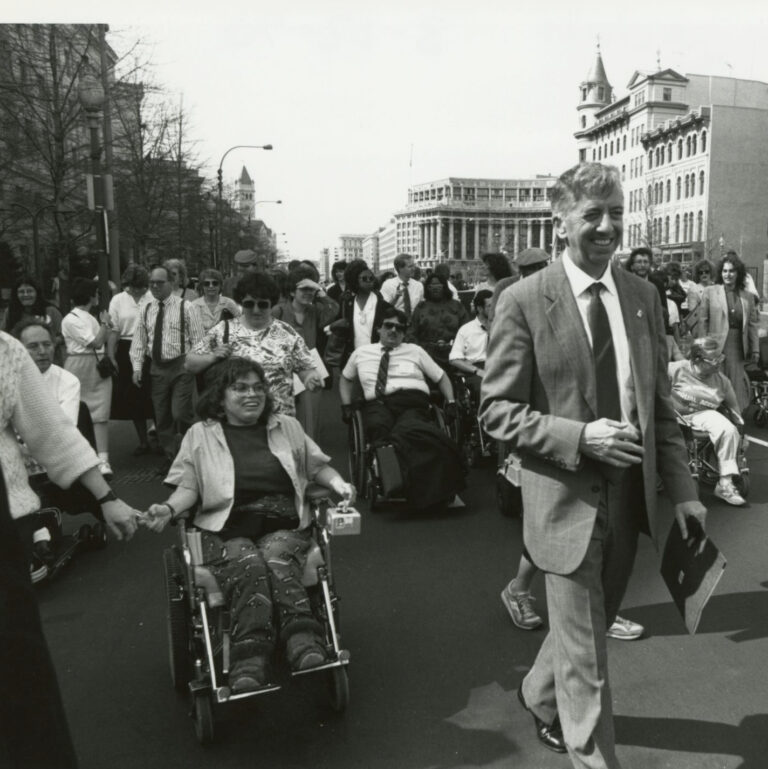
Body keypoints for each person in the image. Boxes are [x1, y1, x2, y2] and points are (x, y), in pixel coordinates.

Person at [481, 162, 705, 767]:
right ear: (560, 223)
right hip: (564, 502)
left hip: (631, 497)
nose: (607, 228)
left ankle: (536, 692)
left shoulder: (643, 296)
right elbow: (496, 412)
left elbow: (658, 407)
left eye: (616, 215)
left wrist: (684, 492)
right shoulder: (524, 300)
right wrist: (580, 437)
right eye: (592, 216)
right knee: (590, 667)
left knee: (584, 626)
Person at [141, 357, 354, 693]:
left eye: (257, 387)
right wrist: (168, 509)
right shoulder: (201, 434)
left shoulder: (287, 426)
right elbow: (189, 488)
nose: (251, 394)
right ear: (220, 396)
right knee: (248, 563)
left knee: (275, 555)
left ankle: (303, 641)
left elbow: (317, 468)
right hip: (225, 528)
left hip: (283, 522)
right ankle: (249, 658)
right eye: (239, 388)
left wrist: (339, 483)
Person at [339, 307, 465, 511]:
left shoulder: (415, 351)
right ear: (379, 328)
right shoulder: (361, 353)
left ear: (405, 333)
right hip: (378, 403)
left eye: (400, 328)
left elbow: (441, 377)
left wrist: (450, 402)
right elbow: (345, 378)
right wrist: (346, 404)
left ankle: (423, 487)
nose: (394, 331)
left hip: (412, 401)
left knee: (414, 431)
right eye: (389, 325)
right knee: (379, 427)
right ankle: (391, 481)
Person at [185, 272, 324, 418]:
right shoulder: (223, 330)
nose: (256, 310)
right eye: (249, 304)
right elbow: (189, 363)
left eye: (263, 304)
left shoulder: (287, 333)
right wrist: (212, 357)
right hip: (235, 424)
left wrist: (311, 378)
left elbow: (306, 369)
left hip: (279, 421)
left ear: (272, 304)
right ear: (241, 303)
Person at [130, 266, 205, 470]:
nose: (154, 286)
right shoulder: (146, 308)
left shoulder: (187, 308)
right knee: (162, 416)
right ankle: (172, 458)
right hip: (157, 368)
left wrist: (195, 364)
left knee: (180, 413)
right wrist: (137, 368)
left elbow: (199, 341)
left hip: (181, 366)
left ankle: (190, 451)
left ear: (171, 284)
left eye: (159, 282)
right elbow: (139, 341)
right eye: (152, 282)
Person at [669, 336, 746, 506]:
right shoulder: (675, 370)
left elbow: (734, 410)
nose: (719, 363)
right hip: (671, 414)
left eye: (721, 357)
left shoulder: (722, 381)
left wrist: (742, 434)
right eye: (713, 360)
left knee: (728, 429)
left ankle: (725, 484)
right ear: (697, 359)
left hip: (701, 414)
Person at [272, 269, 339, 439]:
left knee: (310, 420)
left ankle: (308, 456)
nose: (308, 293)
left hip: (310, 369)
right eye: (304, 289)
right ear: (292, 291)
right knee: (284, 419)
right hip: (283, 370)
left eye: (311, 290)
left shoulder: (315, 311)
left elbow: (333, 309)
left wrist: (321, 292)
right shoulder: (278, 312)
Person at [61, 278, 114, 477]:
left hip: (96, 365)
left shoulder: (89, 317)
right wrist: (105, 323)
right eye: (96, 294)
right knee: (77, 411)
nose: (98, 297)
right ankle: (83, 458)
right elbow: (96, 341)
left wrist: (105, 325)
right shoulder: (71, 319)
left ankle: (102, 459)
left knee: (100, 412)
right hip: (81, 366)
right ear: (91, 295)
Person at [700, 253, 760, 412]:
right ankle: (715, 420)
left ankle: (736, 421)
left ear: (738, 273)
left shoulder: (748, 297)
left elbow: (753, 325)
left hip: (737, 347)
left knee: (735, 386)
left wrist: (755, 349)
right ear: (720, 273)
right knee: (715, 385)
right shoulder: (710, 292)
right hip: (715, 347)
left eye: (732, 271)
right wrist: (702, 348)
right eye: (725, 271)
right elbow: (703, 321)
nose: (728, 274)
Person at [107, 264, 156, 456]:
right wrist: (111, 355)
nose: (136, 290)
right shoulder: (118, 300)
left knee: (155, 394)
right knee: (135, 399)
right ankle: (143, 441)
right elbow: (114, 330)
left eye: (141, 286)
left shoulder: (153, 297)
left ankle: (160, 436)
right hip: (127, 349)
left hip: (150, 349)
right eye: (132, 286)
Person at [409, 272, 469, 366]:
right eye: (431, 285)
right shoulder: (421, 307)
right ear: (427, 288)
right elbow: (411, 333)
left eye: (438, 284)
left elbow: (467, 331)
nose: (435, 288)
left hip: (454, 355)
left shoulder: (456, 306)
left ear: (444, 286)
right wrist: (419, 352)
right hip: (426, 356)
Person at [2, 275, 64, 362]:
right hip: (19, 360)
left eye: (30, 291)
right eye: (21, 292)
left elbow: (64, 335)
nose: (26, 294)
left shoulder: (51, 311)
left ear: (37, 293)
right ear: (16, 294)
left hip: (47, 360)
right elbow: (4, 336)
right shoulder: (10, 312)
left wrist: (48, 344)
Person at [192, 267, 240, 333]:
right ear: (202, 286)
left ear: (220, 285)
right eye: (207, 284)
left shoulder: (229, 303)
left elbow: (240, 324)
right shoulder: (193, 305)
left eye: (215, 283)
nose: (211, 286)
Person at [380, 254, 423, 320]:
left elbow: (422, 307)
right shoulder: (388, 285)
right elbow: (383, 308)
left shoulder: (419, 286)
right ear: (400, 269)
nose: (414, 268)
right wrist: (395, 298)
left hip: (414, 324)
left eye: (414, 265)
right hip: (395, 325)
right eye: (410, 266)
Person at [684, 258, 715, 337]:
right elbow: (692, 310)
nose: (704, 274)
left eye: (706, 272)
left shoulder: (717, 288)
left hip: (715, 325)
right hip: (699, 326)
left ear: (711, 273)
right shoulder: (694, 289)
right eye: (700, 272)